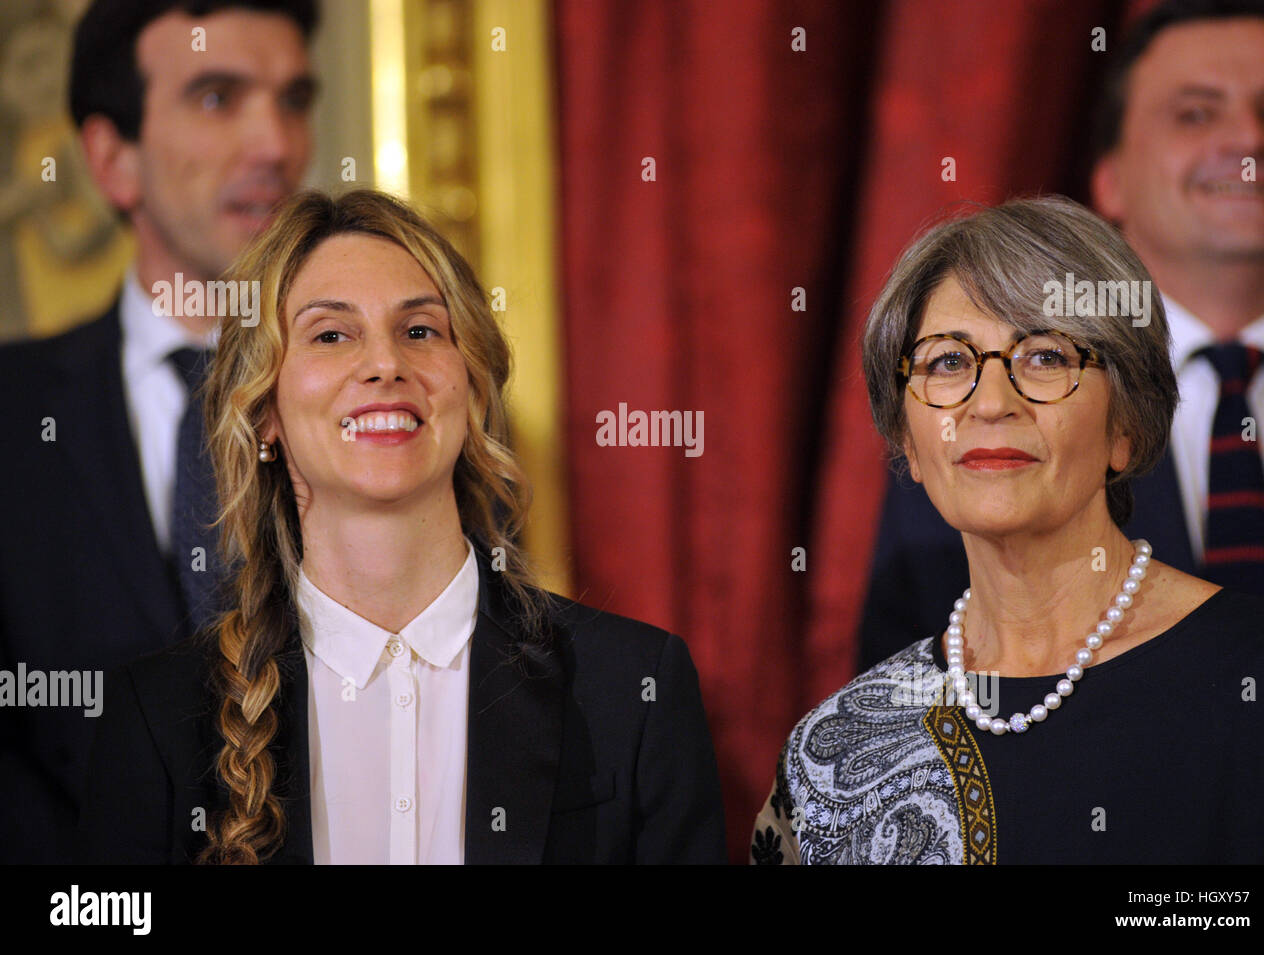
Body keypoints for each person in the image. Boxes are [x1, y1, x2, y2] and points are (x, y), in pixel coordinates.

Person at [78, 189, 727, 864]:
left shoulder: (634, 689)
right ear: (265, 412)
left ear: (471, 389)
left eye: (420, 330)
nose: (386, 363)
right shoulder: (154, 720)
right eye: (331, 334)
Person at [754, 196, 1264, 864]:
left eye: (1044, 357)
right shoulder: (830, 755)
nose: (991, 403)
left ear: (1125, 424)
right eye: (947, 362)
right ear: (909, 441)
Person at [857, 0, 1264, 671]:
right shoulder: (969, 408)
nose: (1248, 141)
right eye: (1196, 112)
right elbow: (914, 720)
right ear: (1110, 180)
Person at [0, 0, 318, 863]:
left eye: (293, 100)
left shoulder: (388, 399)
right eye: (218, 97)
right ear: (113, 160)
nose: (275, 146)